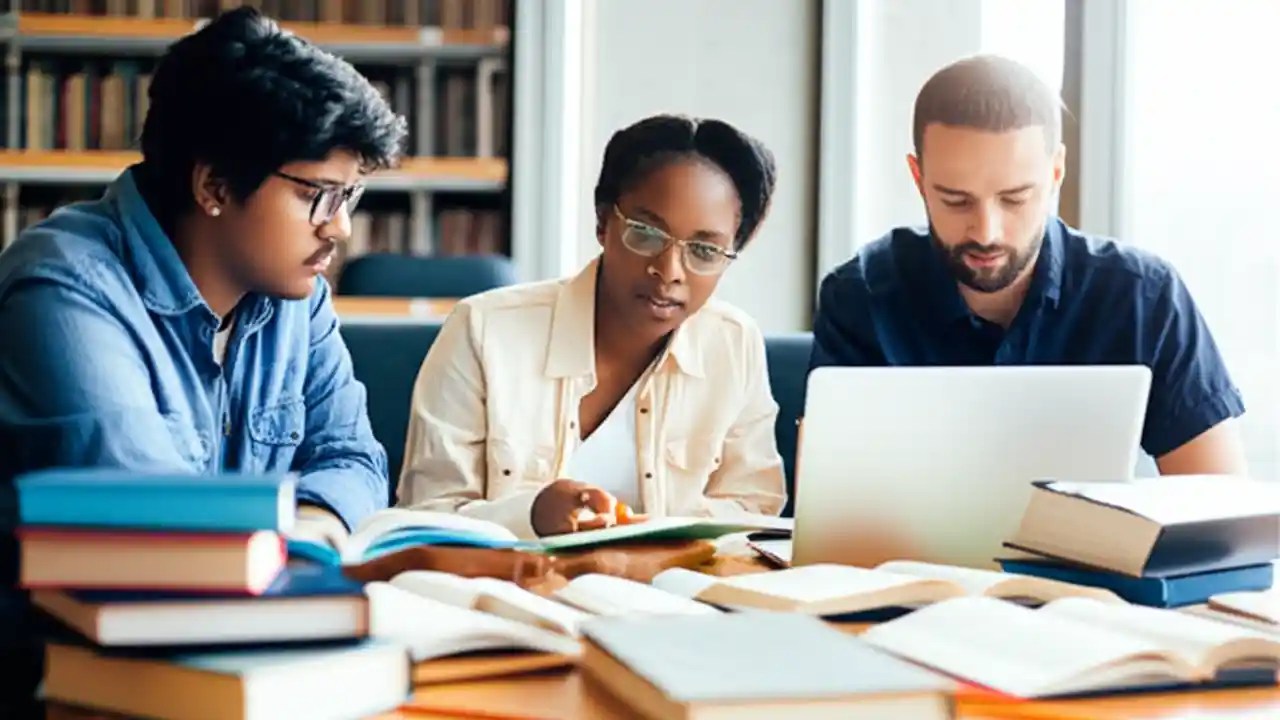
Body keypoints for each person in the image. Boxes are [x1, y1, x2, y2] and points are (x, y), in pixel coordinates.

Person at [0, 8, 402, 710]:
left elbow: (357, 460)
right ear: (214, 185)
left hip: (252, 665)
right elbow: (162, 538)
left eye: (352, 194)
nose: (340, 226)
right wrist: (296, 536)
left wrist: (308, 525)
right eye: (319, 196)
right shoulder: (60, 289)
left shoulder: (294, 295)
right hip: (88, 693)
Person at [810, 54, 1246, 476]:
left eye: (1015, 198)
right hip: (897, 554)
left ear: (1056, 171)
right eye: (956, 200)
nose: (987, 231)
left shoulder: (1143, 296)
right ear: (919, 177)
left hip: (1094, 554)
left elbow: (1217, 504)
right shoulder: (859, 297)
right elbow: (831, 499)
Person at [398, 114, 786, 538]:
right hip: (511, 590)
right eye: (646, 233)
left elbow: (754, 508)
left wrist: (657, 537)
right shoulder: (483, 330)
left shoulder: (734, 343)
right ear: (603, 222)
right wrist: (531, 515)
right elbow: (427, 514)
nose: (669, 270)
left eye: (704, 251)